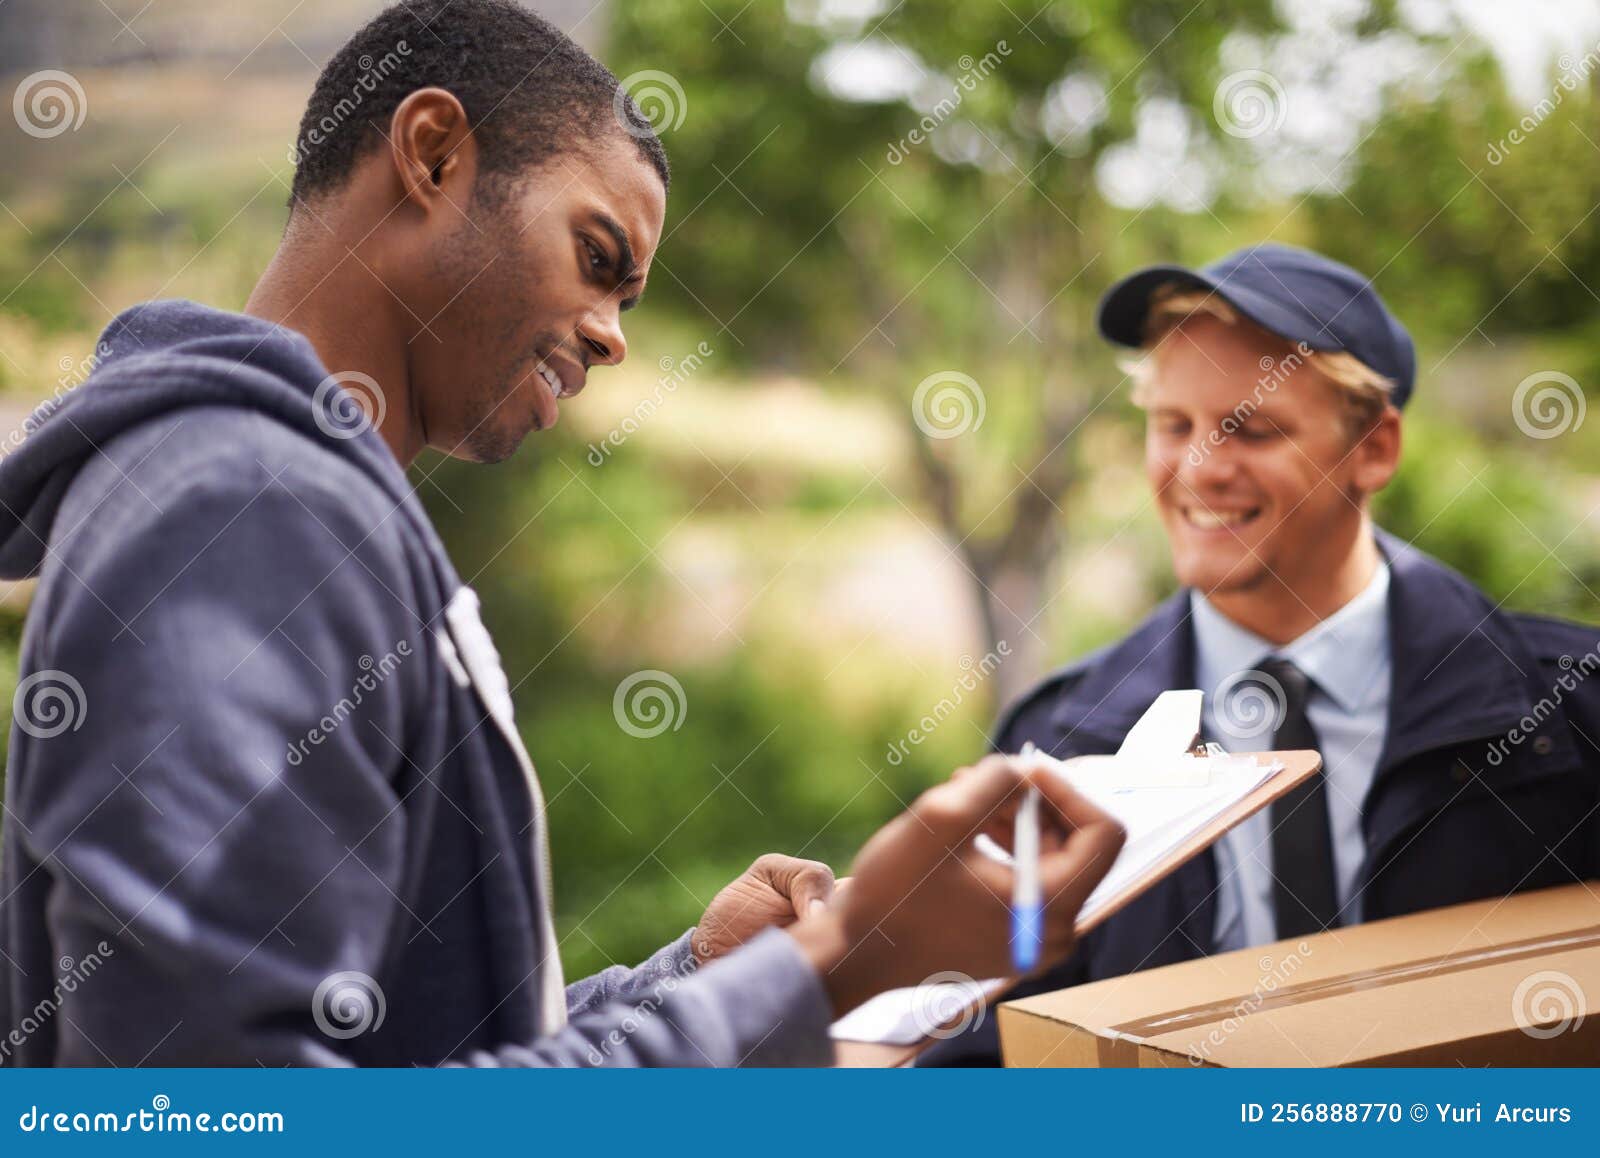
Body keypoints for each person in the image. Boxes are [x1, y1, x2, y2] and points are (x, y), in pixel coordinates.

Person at [0, 0, 1124, 1067]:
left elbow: (412, 1064)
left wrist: (701, 981)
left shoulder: (284, 497)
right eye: (598, 261)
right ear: (434, 154)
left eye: (632, 301)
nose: (614, 338)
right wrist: (838, 966)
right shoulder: (247, 510)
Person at [920, 241, 1600, 1066]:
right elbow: (997, 1044)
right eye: (1175, 425)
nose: (1200, 469)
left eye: (1256, 430)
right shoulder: (1061, 746)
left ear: (1375, 450)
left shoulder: (1568, 712)